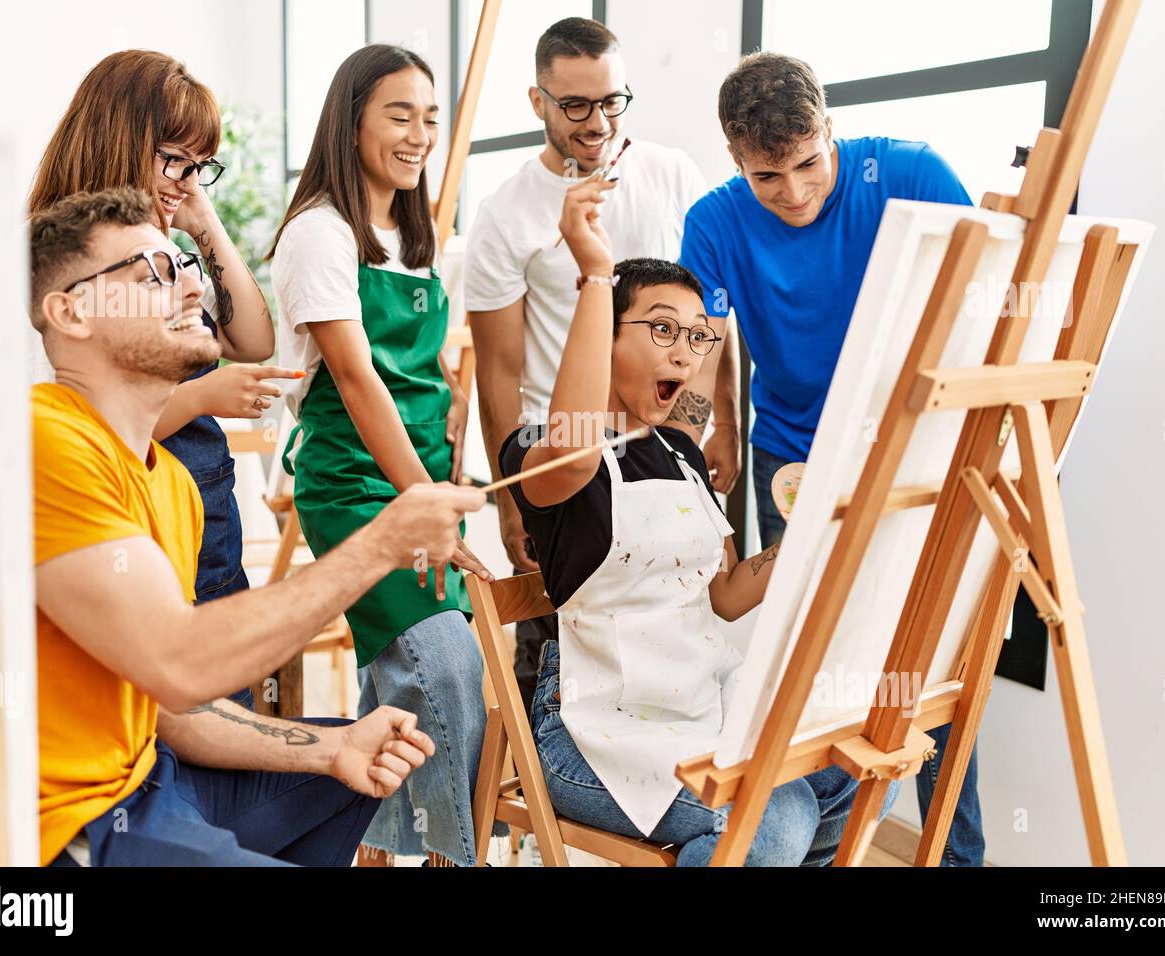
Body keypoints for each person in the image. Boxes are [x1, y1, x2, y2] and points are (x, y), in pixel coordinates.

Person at [29, 187, 483, 866]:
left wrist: (332, 748)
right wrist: (380, 542)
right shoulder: (44, 439)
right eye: (150, 273)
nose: (187, 287)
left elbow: (171, 706)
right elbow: (181, 661)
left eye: (181, 265)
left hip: (150, 782)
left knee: (359, 764)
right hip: (65, 829)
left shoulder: (171, 482)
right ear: (71, 311)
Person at [498, 175, 897, 866]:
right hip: (594, 735)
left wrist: (805, 543)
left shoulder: (680, 452)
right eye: (660, 329)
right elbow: (572, 445)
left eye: (693, 336)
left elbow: (724, 592)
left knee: (866, 775)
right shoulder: (548, 449)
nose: (683, 351)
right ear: (603, 332)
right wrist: (596, 275)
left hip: (698, 709)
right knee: (775, 815)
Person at [678, 51, 985, 866]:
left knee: (933, 656)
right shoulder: (713, 222)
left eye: (808, 163)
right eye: (766, 177)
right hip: (794, 459)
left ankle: (959, 857)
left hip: (914, 453)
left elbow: (991, 302)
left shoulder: (910, 172)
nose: (796, 192)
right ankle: (820, 852)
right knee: (819, 666)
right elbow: (700, 356)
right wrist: (689, 442)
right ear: (736, 161)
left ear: (830, 130)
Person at [467, 16, 742, 716]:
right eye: (576, 106)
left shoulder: (674, 174)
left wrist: (701, 431)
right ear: (538, 103)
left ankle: (665, 791)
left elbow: (709, 320)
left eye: (613, 101)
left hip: (660, 453)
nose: (599, 122)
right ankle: (545, 800)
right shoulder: (506, 214)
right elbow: (499, 371)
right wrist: (510, 500)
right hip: (568, 460)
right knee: (560, 649)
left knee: (683, 638)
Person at [267, 45, 495, 868]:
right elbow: (361, 384)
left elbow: (426, 373)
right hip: (358, 486)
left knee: (393, 684)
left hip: (421, 476)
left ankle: (356, 845)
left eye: (430, 117)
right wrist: (426, 506)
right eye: (400, 114)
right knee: (446, 666)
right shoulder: (319, 235)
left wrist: (447, 473)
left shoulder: (419, 233)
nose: (420, 134)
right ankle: (450, 856)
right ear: (351, 119)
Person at [29, 50, 297, 708]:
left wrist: (202, 219)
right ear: (121, 139)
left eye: (201, 166)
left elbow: (254, 338)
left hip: (205, 506)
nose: (188, 181)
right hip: (128, 518)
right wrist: (204, 396)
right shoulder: (73, 256)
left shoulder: (164, 246)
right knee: (176, 712)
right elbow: (90, 414)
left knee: (227, 711)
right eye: (175, 160)